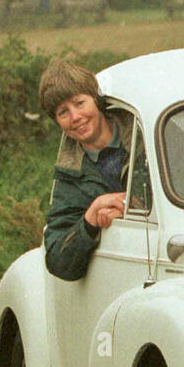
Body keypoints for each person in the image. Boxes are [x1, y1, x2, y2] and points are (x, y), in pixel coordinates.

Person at [40, 58, 135, 281]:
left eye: (79, 103)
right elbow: (58, 259)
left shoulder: (144, 134)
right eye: (63, 112)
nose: (76, 117)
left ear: (96, 100)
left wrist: (131, 206)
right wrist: (91, 218)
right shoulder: (69, 174)